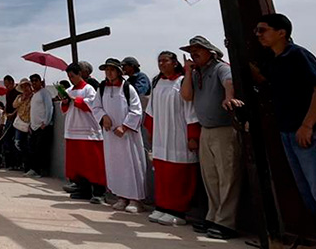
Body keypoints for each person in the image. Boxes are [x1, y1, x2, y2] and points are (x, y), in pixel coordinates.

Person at [253, 14, 316, 249]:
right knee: (310, 193)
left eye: (263, 30)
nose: (259, 35)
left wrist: (307, 125)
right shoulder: (275, 61)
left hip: (310, 133)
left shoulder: (298, 55)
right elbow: (264, 78)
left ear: (281, 32)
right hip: (289, 132)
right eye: (256, 31)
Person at [180, 36, 243, 240]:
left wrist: (228, 96)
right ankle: (214, 216)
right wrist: (188, 71)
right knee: (211, 177)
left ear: (210, 51)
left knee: (228, 176)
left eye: (198, 49)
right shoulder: (198, 73)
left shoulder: (218, 68)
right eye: (191, 50)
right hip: (206, 129)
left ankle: (227, 222)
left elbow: (229, 80)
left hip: (224, 128)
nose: (193, 53)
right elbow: (187, 96)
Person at [145, 51, 200, 226]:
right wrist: (152, 131)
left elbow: (190, 110)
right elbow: (151, 109)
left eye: (165, 60)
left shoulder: (182, 81)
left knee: (178, 174)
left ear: (175, 63)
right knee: (162, 172)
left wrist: (192, 135)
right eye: (159, 61)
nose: (161, 64)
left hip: (178, 134)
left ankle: (178, 211)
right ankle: (163, 206)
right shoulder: (157, 82)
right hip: (162, 135)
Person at [93, 58, 146, 213]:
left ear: (119, 71)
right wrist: (103, 117)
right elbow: (96, 106)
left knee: (131, 164)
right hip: (110, 134)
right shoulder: (102, 88)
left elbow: (136, 110)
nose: (109, 72)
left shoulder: (127, 88)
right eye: (106, 70)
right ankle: (121, 196)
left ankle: (135, 199)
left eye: (112, 69)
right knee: (115, 164)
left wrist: (125, 126)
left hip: (126, 135)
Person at [58, 63, 106, 201]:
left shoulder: (88, 88)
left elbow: (92, 105)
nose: (71, 79)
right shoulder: (69, 89)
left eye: (72, 76)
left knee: (93, 162)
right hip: (72, 130)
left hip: (88, 131)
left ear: (79, 74)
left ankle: (98, 192)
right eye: (69, 76)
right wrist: (65, 101)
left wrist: (75, 100)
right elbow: (64, 109)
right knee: (78, 163)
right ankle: (83, 189)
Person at [27, 74, 54, 178]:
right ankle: (34, 169)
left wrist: (46, 122)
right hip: (34, 126)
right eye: (32, 81)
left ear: (40, 81)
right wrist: (30, 124)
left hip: (42, 126)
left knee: (42, 150)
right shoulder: (34, 95)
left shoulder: (44, 93)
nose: (34, 83)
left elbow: (49, 107)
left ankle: (42, 171)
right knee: (33, 149)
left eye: (36, 81)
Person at [12, 78, 32, 173]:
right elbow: (14, 105)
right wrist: (21, 99)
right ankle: (21, 162)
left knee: (27, 145)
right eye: (23, 87)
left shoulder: (33, 96)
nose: (25, 88)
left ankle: (26, 164)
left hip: (29, 122)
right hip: (20, 122)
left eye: (26, 86)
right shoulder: (20, 97)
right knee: (17, 143)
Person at [2, 75, 20, 170]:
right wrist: (5, 110)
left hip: (15, 119)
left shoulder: (17, 92)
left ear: (12, 82)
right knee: (7, 140)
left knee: (14, 141)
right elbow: (8, 103)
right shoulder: (8, 93)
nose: (6, 87)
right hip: (8, 117)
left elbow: (19, 105)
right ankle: (10, 163)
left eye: (7, 85)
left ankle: (16, 163)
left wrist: (13, 114)